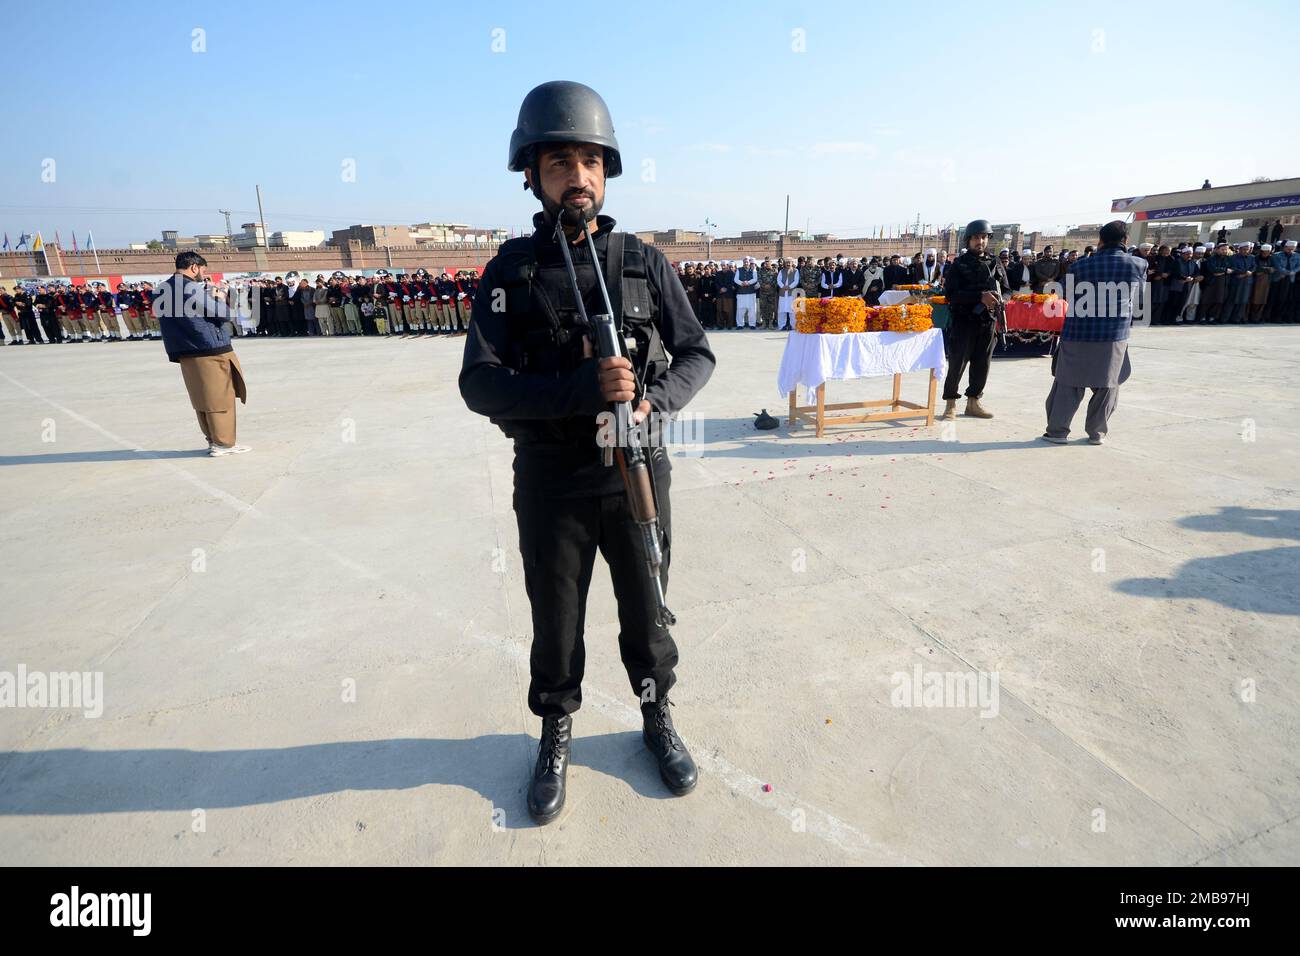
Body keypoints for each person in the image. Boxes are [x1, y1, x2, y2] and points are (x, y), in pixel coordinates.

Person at [459, 81, 715, 825]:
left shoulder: (642, 261)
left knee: (648, 610)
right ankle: (556, 727)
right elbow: (480, 384)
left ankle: (655, 715)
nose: (579, 175)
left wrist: (652, 403)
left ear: (608, 173)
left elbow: (696, 354)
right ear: (533, 176)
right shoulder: (510, 272)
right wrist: (578, 388)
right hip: (551, 479)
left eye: (592, 161)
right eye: (562, 160)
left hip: (636, 468)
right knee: (556, 614)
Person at [1041, 221, 1144, 445]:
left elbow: (1064, 295)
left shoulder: (1078, 267)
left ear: (1100, 241)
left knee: (1067, 384)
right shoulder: (1138, 265)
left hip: (1078, 333)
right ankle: (1096, 433)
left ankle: (1057, 432)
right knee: (1107, 385)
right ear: (1126, 241)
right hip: (1114, 336)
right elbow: (1139, 303)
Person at [155, 251, 250, 457]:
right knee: (220, 397)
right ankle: (224, 444)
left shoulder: (162, 289)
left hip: (184, 350)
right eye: (203, 270)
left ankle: (213, 441)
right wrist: (219, 297)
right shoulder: (189, 287)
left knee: (202, 399)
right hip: (209, 348)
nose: (202, 274)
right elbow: (222, 314)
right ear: (194, 267)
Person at [940, 219, 1007, 421]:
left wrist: (1000, 300)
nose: (981, 241)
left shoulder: (995, 263)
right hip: (964, 320)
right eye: (977, 237)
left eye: (984, 237)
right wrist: (979, 297)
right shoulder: (959, 264)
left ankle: (973, 401)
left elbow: (1007, 289)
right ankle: (950, 404)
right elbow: (950, 294)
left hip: (988, 321)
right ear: (969, 240)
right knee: (958, 363)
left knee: (982, 363)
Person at [734, 256, 760, 328]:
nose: (746, 263)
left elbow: (755, 279)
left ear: (749, 263)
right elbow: (736, 279)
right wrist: (742, 283)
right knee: (740, 309)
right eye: (744, 262)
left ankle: (752, 324)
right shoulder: (739, 270)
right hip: (741, 293)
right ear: (743, 263)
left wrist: (748, 282)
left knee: (752, 310)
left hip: (751, 293)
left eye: (747, 262)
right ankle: (740, 324)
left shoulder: (753, 270)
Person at [776, 258, 800, 330]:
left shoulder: (796, 271)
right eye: (787, 263)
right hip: (783, 293)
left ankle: (793, 326)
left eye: (789, 262)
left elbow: (796, 281)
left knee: (792, 310)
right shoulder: (781, 271)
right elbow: (778, 280)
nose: (788, 264)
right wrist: (783, 286)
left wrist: (789, 287)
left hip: (791, 293)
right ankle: (782, 326)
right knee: (782, 310)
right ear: (784, 263)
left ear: (792, 263)